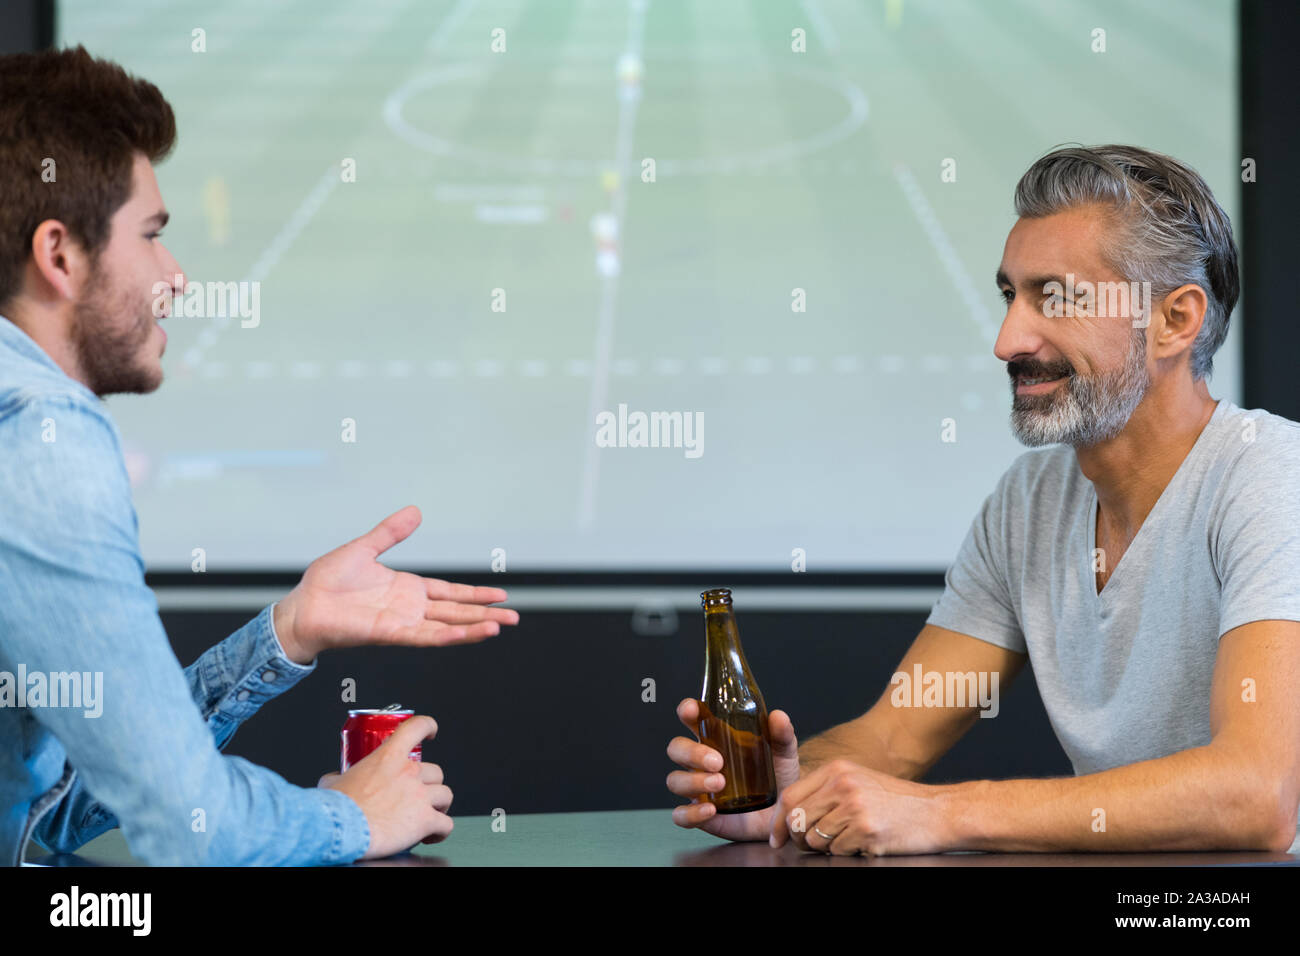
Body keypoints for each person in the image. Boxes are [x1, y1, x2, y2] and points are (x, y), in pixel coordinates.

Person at [668, 144, 1300, 856]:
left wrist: (945, 813)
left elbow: (1260, 796)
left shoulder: (1271, 476)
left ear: (1176, 322)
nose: (1008, 341)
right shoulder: (1031, 501)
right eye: (1011, 296)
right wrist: (791, 794)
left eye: (1055, 299)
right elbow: (893, 737)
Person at [0, 46, 519, 866]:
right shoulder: (41, 433)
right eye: (152, 237)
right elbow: (190, 828)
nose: (176, 277)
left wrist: (287, 631)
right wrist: (349, 816)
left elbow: (39, 816)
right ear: (59, 254)